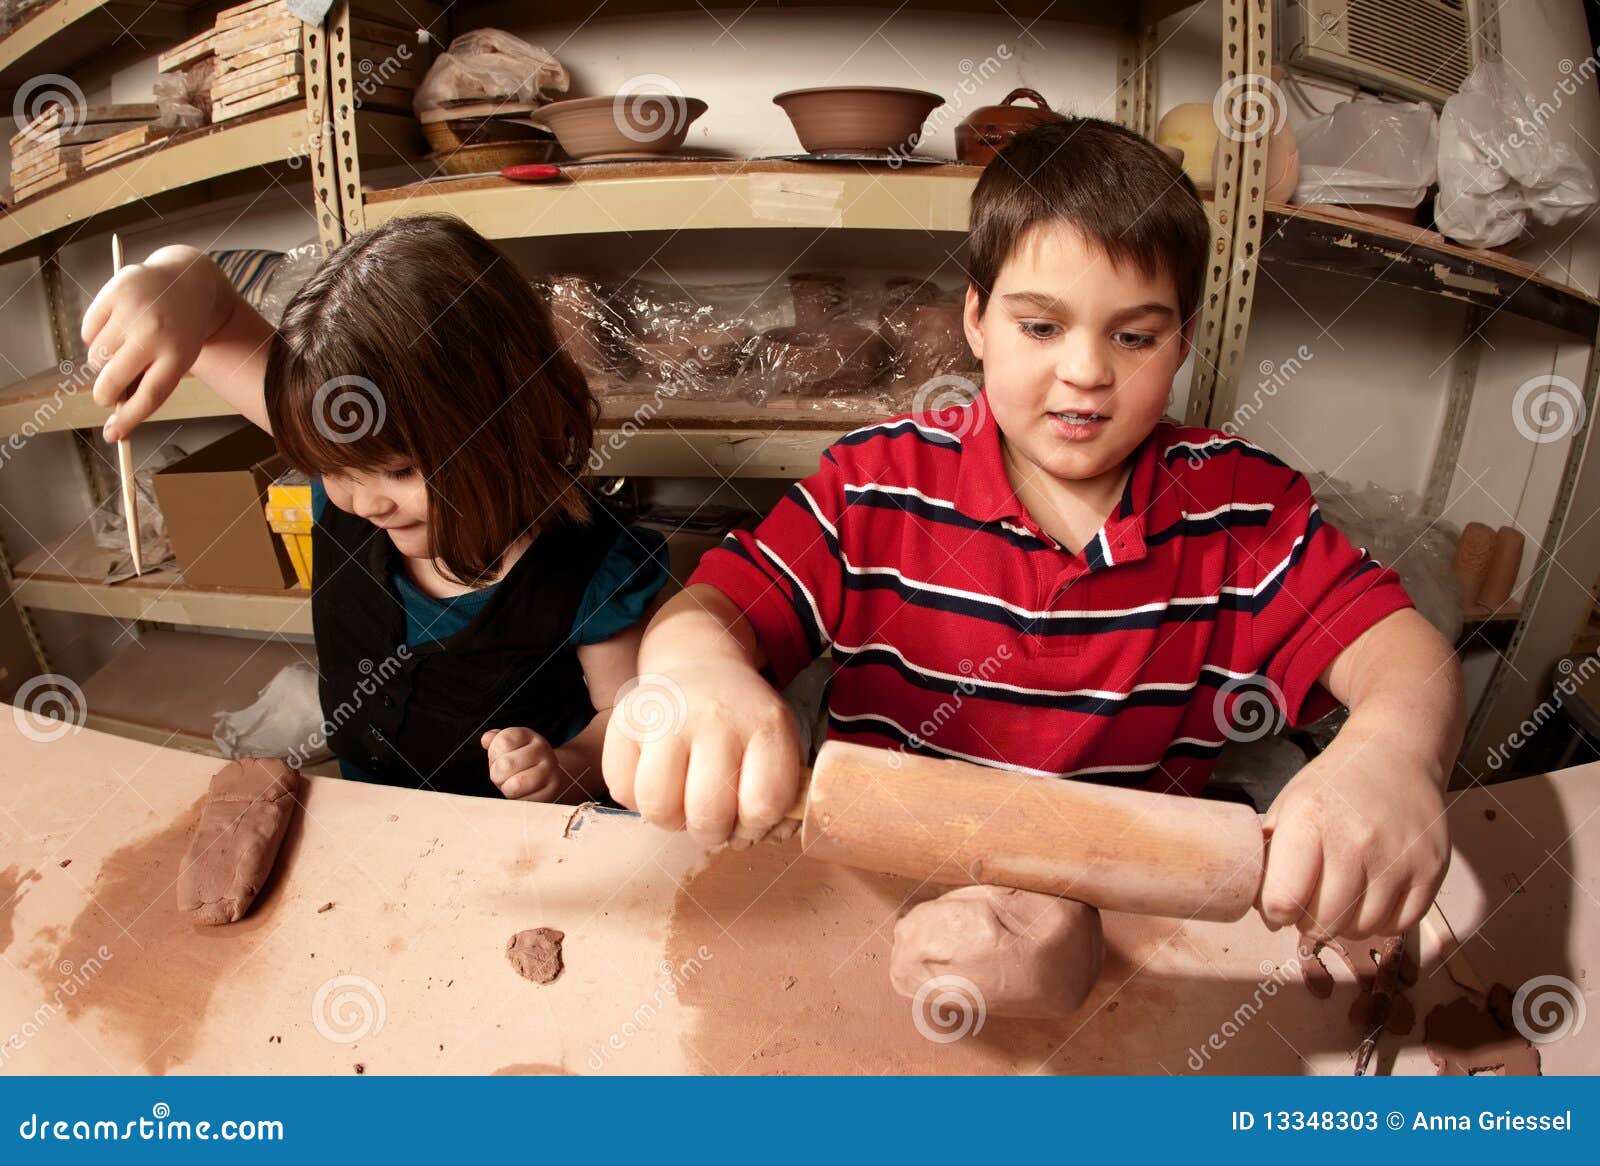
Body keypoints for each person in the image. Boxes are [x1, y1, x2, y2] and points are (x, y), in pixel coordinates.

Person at [603, 118, 1459, 1011]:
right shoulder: (877, 484)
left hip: (1125, 928)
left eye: (1135, 337)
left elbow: (1400, 649)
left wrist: (1394, 751)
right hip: (870, 896)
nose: (1085, 372)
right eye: (1041, 326)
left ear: (1185, 339)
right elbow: (717, 605)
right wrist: (693, 668)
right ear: (976, 318)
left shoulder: (1238, 509)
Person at [85, 214, 667, 801]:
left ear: (509, 423)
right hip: (370, 820)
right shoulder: (347, 461)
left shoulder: (592, 566)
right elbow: (212, 311)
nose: (362, 500)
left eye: (400, 470)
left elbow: (624, 717)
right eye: (333, 470)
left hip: (510, 849)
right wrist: (168, 280)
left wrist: (563, 767)